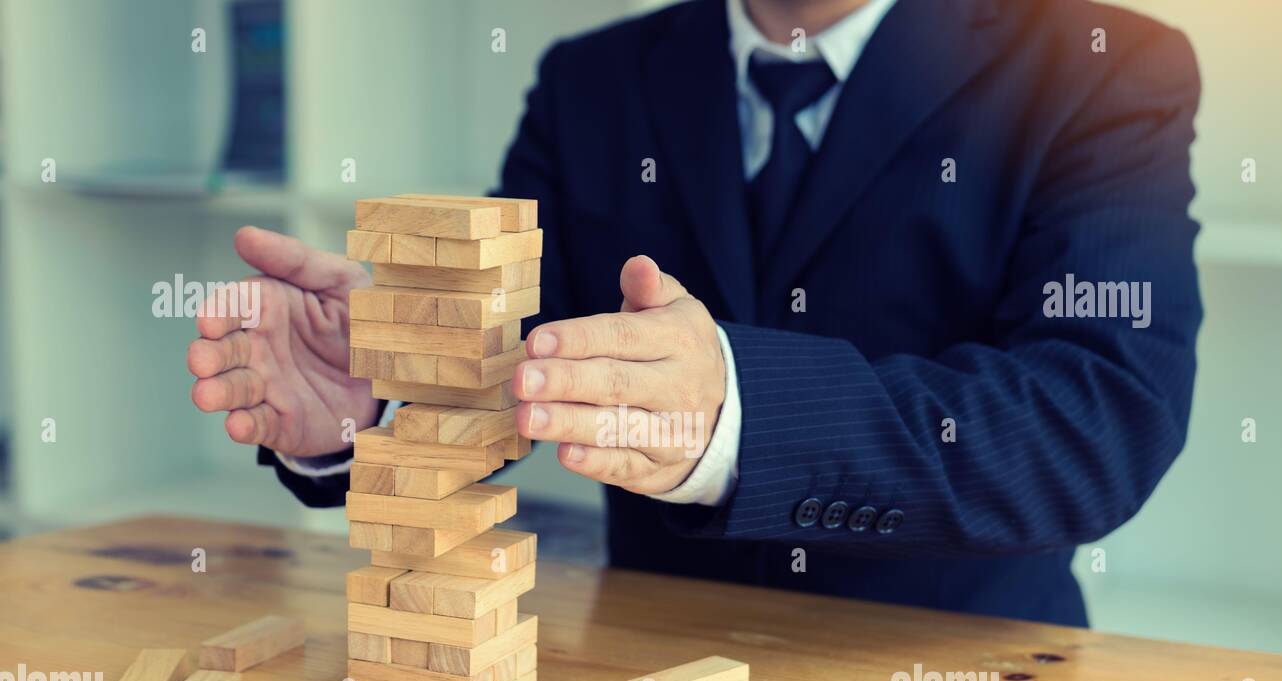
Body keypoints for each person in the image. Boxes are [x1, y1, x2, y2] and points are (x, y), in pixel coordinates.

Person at [187, 0, 1202, 627]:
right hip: (641, 678)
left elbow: (1097, 416)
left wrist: (735, 415)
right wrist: (388, 397)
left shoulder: (1105, 67)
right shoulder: (590, 80)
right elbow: (516, 363)